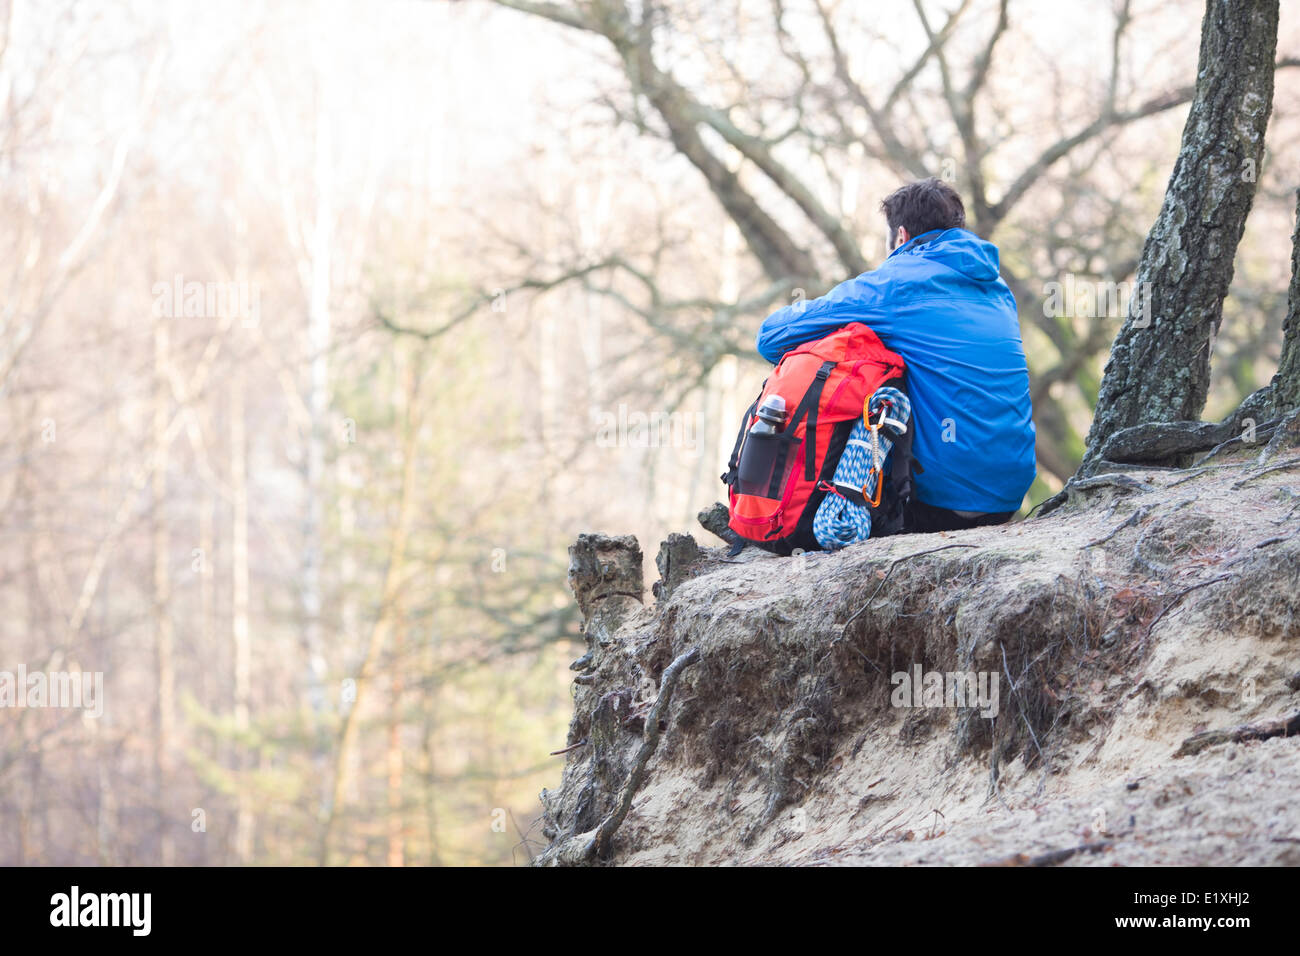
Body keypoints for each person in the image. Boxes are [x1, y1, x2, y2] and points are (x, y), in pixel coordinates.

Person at [756, 177, 1036, 532]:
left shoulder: (893, 284)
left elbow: (770, 337)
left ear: (901, 237)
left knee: (864, 367)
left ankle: (821, 516)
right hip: (1010, 492)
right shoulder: (997, 287)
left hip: (942, 503)